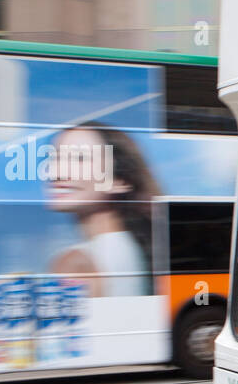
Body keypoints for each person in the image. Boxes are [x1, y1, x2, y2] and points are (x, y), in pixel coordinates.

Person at [45, 122, 160, 297]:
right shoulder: (131, 249)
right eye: (56, 158)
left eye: (79, 158)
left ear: (119, 181)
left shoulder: (77, 262)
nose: (56, 173)